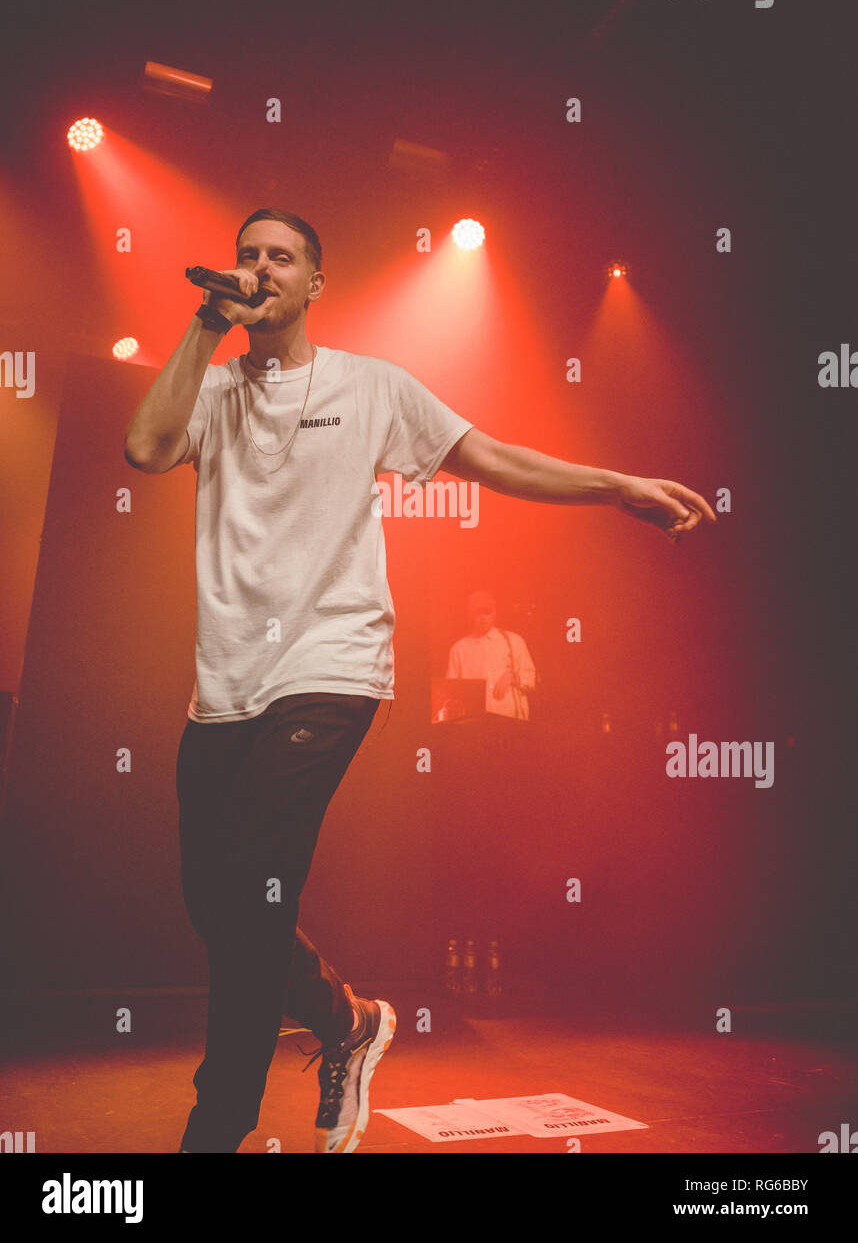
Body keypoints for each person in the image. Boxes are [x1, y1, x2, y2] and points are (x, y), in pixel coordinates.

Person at [124, 207, 716, 1154]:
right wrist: (204, 329)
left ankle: (216, 1128)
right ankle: (348, 1023)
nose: (259, 268)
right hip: (224, 683)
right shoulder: (217, 382)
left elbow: (494, 460)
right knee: (214, 898)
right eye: (248, 255)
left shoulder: (372, 387)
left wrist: (615, 486)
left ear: (316, 283)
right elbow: (145, 450)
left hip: (331, 666)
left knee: (254, 884)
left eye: (282, 258)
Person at [447, 589, 538, 720]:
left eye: (487, 612)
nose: (483, 618)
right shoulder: (459, 649)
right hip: (475, 725)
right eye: (478, 613)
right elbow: (452, 693)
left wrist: (513, 677)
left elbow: (532, 680)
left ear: (494, 613)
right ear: (469, 615)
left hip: (511, 722)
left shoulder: (514, 641)